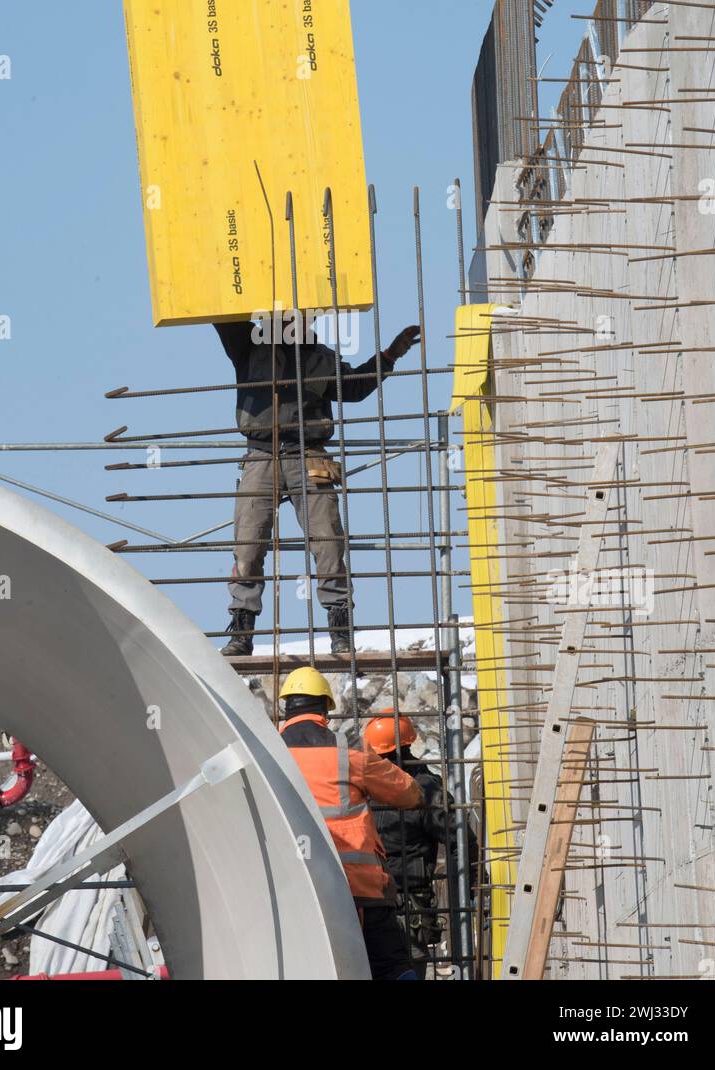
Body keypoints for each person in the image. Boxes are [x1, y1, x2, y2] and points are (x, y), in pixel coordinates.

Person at [215, 316, 419, 656]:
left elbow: (352, 387)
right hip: (262, 455)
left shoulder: (319, 356)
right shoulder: (249, 346)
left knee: (328, 543)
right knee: (248, 545)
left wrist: (388, 357)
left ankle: (340, 631)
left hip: (309, 455)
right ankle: (241, 632)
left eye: (304, 318)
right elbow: (225, 316)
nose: (301, 323)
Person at [278, 666, 424, 981]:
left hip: (297, 890)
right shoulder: (347, 751)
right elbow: (408, 793)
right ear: (325, 710)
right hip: (360, 889)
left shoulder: (268, 753)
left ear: (285, 708)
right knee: (392, 967)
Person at [364, 710, 478, 979]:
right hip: (401, 907)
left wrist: (465, 888)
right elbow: (461, 840)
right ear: (408, 742)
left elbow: (460, 841)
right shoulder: (424, 787)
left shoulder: (372, 787)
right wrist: (466, 889)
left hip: (383, 906)